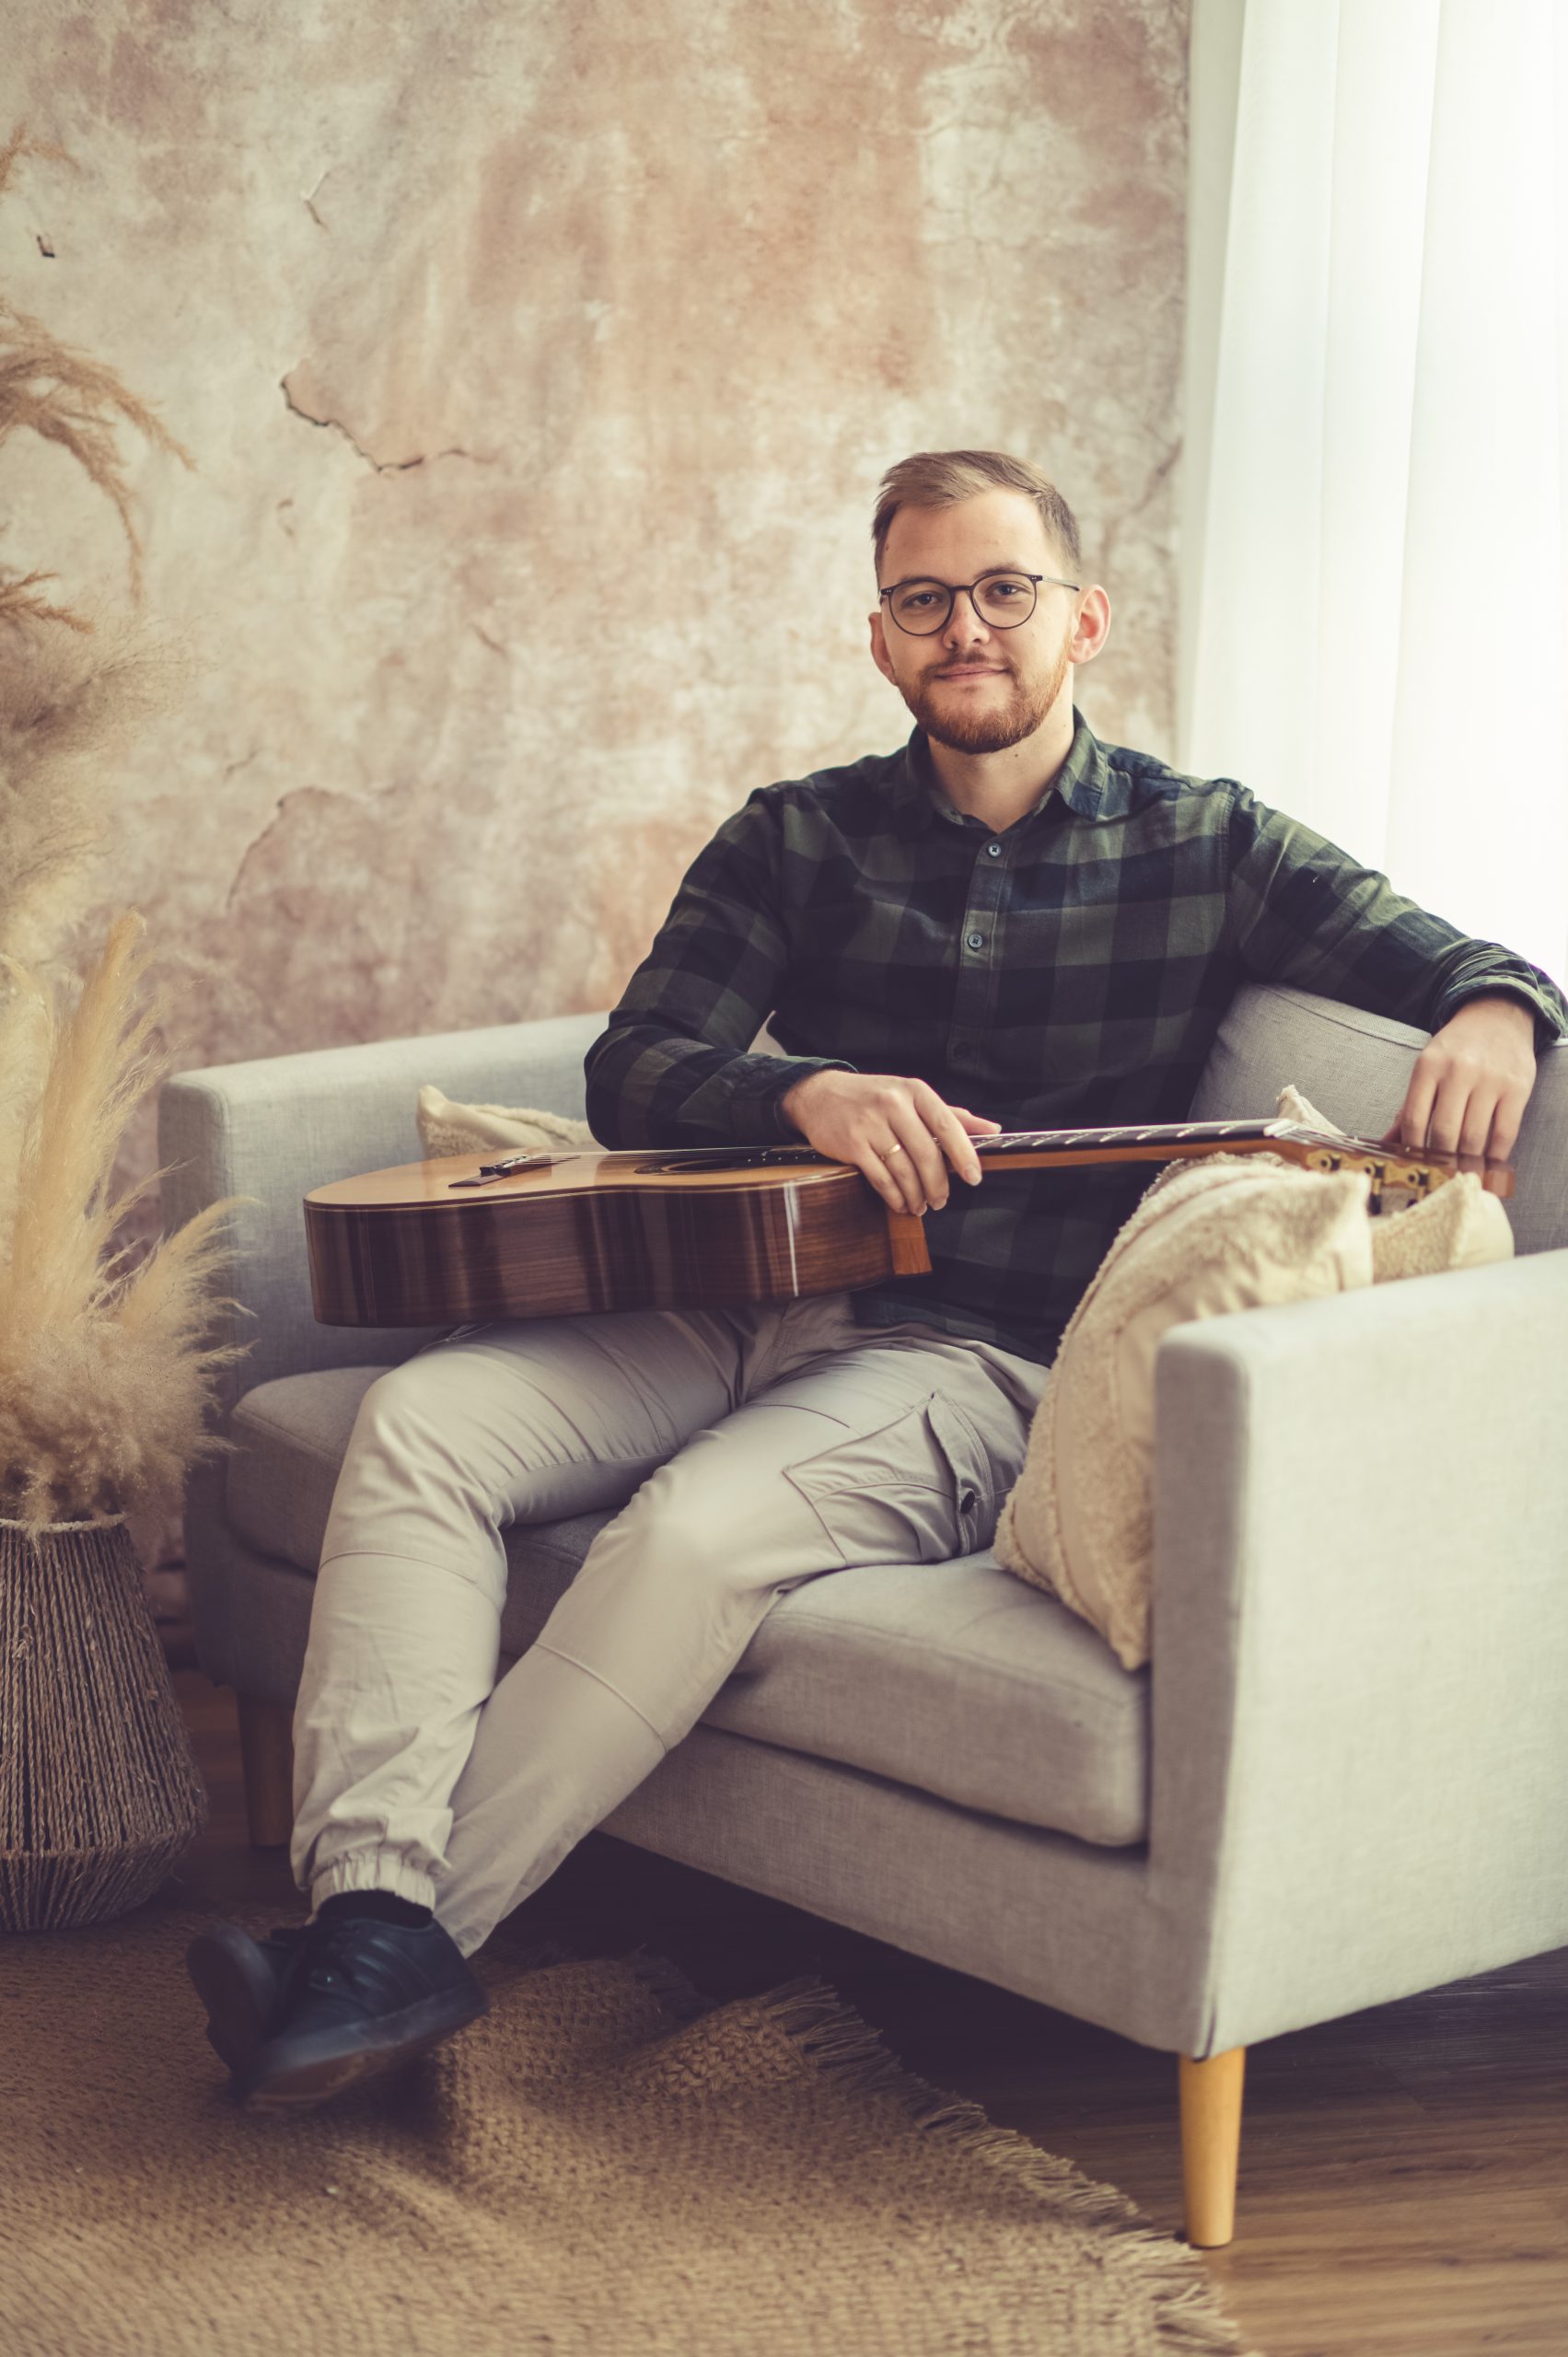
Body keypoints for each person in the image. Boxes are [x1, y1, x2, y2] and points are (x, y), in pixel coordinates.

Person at [187, 448, 1567, 2110]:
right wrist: (802, 1092)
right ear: (880, 638)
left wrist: (1498, 1009)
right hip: (734, 1293)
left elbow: (1461, 956)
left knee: (692, 1534)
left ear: (1084, 618)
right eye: (925, 600)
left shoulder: (1214, 846)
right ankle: (369, 1919)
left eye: (1003, 592)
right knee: (423, 1425)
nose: (965, 627)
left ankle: (387, 1955)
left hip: (966, 1359)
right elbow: (639, 1063)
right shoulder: (798, 835)